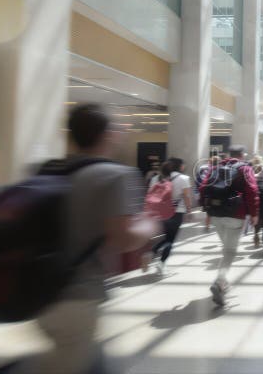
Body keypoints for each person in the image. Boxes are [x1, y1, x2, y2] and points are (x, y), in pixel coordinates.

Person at [18, 104, 156, 373]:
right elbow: (124, 238)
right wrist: (150, 225)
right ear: (108, 135)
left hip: (38, 288)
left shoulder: (46, 169)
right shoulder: (116, 175)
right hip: (77, 295)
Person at [207, 145, 259, 306]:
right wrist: (254, 213)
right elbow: (252, 191)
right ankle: (220, 281)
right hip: (235, 214)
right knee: (230, 251)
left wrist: (207, 212)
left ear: (229, 154)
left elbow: (204, 188)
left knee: (226, 248)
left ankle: (223, 282)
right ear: (242, 155)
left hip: (216, 213)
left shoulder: (216, 167)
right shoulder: (245, 168)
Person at [144, 157, 192, 275]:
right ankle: (161, 264)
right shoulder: (184, 178)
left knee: (166, 237)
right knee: (170, 239)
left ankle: (151, 253)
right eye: (183, 165)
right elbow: (186, 197)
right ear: (179, 166)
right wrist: (189, 210)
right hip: (176, 212)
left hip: (160, 212)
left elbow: (150, 194)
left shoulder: (156, 178)